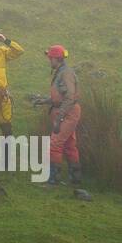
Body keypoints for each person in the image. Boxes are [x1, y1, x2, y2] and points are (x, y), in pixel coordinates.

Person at [45, 44, 81, 185]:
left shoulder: (65, 73)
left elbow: (70, 97)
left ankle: (53, 180)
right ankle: (75, 180)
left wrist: (60, 117)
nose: (49, 61)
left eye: (50, 58)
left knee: (55, 143)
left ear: (56, 58)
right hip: (67, 110)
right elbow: (61, 95)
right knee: (69, 145)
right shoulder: (61, 71)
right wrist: (44, 100)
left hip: (68, 112)